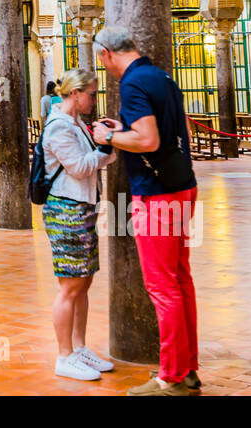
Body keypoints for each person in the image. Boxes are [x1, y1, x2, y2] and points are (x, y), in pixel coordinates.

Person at [91, 26, 200, 396]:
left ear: (106, 53)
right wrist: (124, 128)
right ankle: (186, 368)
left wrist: (108, 137)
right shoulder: (162, 77)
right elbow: (174, 129)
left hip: (157, 196)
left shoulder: (133, 84)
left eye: (100, 59)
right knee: (181, 281)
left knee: (162, 287)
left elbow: (148, 140)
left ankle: (170, 376)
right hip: (183, 186)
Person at [41, 68, 115, 381]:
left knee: (83, 282)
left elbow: (98, 160)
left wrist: (104, 145)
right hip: (65, 210)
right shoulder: (59, 127)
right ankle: (64, 355)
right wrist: (107, 146)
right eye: (92, 94)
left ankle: (80, 346)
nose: (94, 100)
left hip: (82, 208)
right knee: (69, 286)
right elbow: (80, 167)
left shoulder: (78, 125)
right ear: (75, 94)